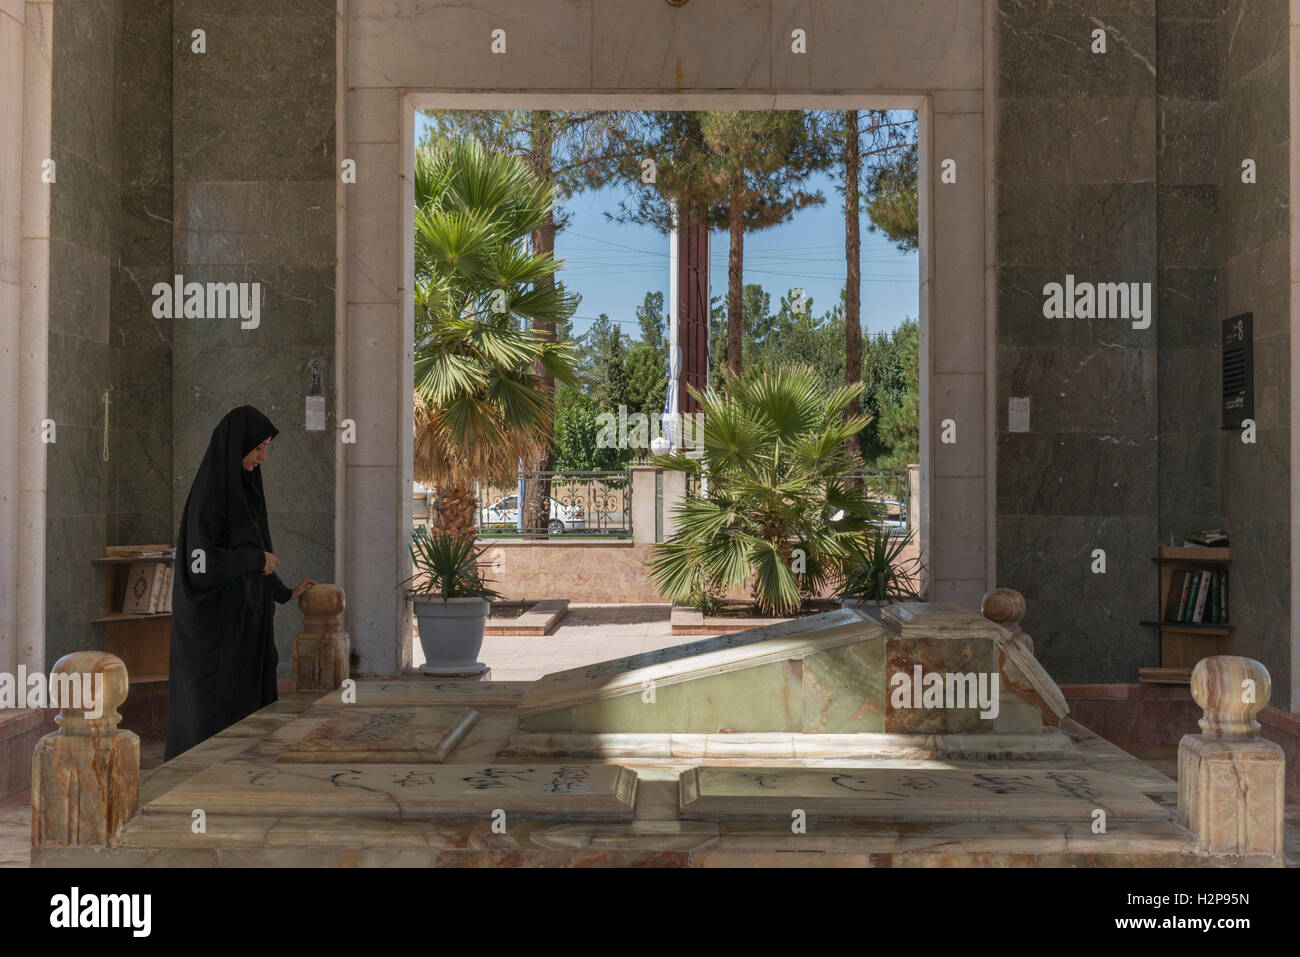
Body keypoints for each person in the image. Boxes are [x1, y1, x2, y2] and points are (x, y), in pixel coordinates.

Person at [164, 406, 316, 760]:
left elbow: (258, 551)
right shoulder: (209, 495)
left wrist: (284, 592)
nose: (263, 456)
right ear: (237, 447)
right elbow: (199, 563)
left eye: (265, 448)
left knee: (249, 711)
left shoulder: (246, 488)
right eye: (258, 448)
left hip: (245, 625)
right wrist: (254, 560)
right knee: (214, 715)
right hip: (214, 632)